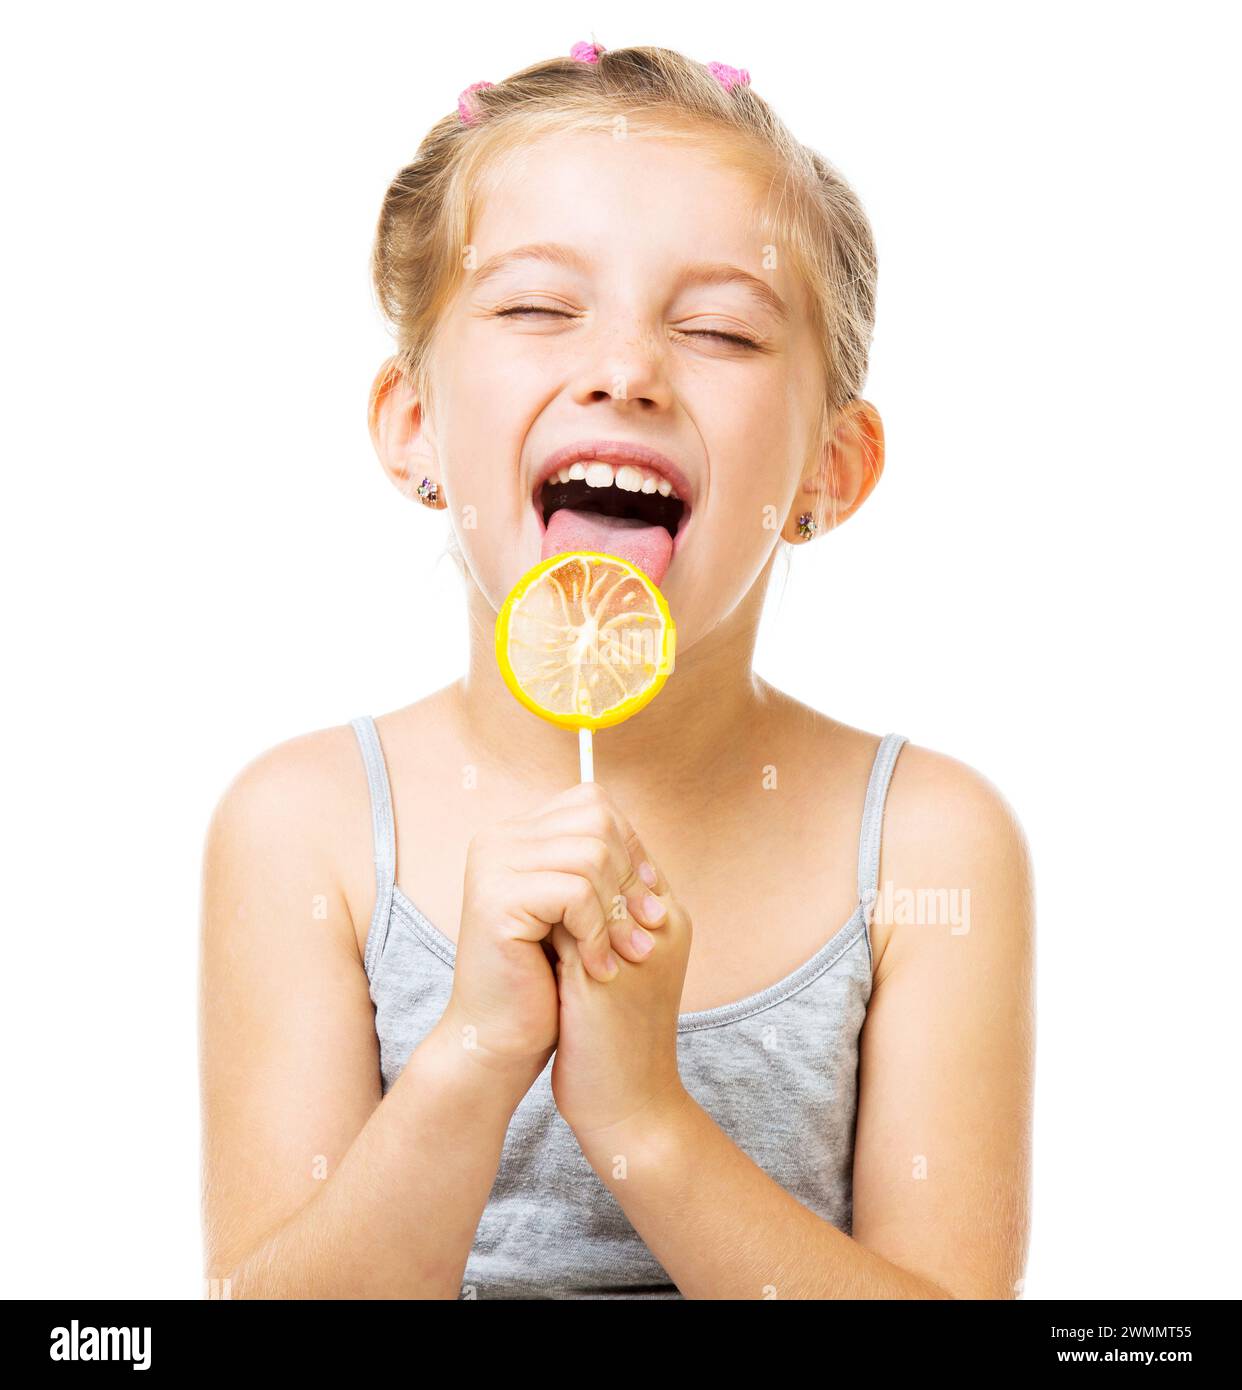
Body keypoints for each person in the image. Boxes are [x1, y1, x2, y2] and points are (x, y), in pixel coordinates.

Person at [198, 40, 1034, 1300]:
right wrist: (478, 1046)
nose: (626, 371)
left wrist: (645, 1119)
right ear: (413, 424)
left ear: (830, 470)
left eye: (718, 330)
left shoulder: (926, 847)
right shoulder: (305, 829)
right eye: (537, 307)